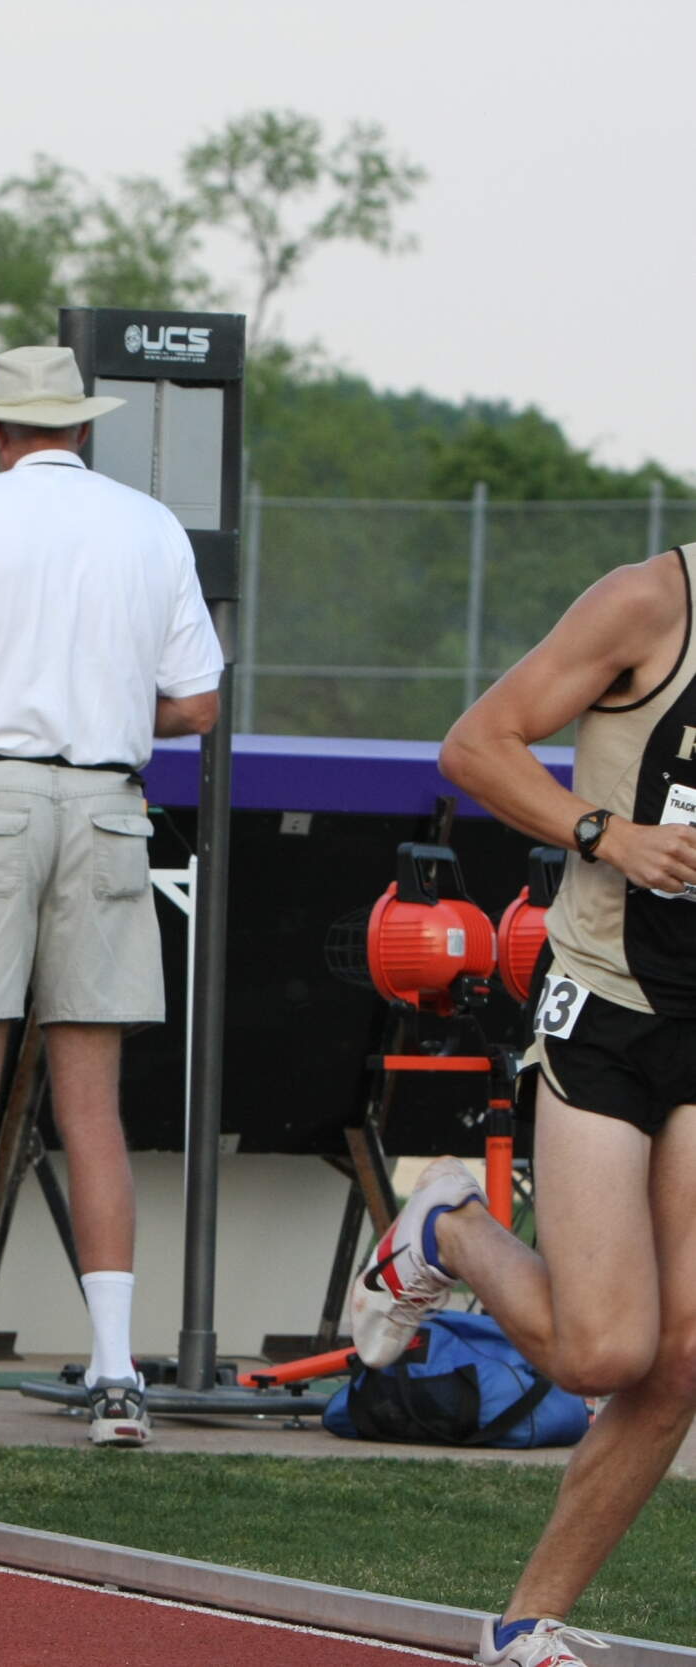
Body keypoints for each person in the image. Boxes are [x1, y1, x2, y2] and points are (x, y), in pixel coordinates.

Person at [0, 346, 221, 1447]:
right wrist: (107, 701)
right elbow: (197, 703)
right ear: (83, 429)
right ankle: (117, 1373)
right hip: (111, 805)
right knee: (92, 1103)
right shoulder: (149, 524)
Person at [359, 542, 696, 1667]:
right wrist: (606, 833)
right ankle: (444, 1225)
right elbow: (475, 745)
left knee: (683, 1354)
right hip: (607, 999)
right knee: (603, 1352)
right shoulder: (653, 601)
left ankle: (522, 1623)